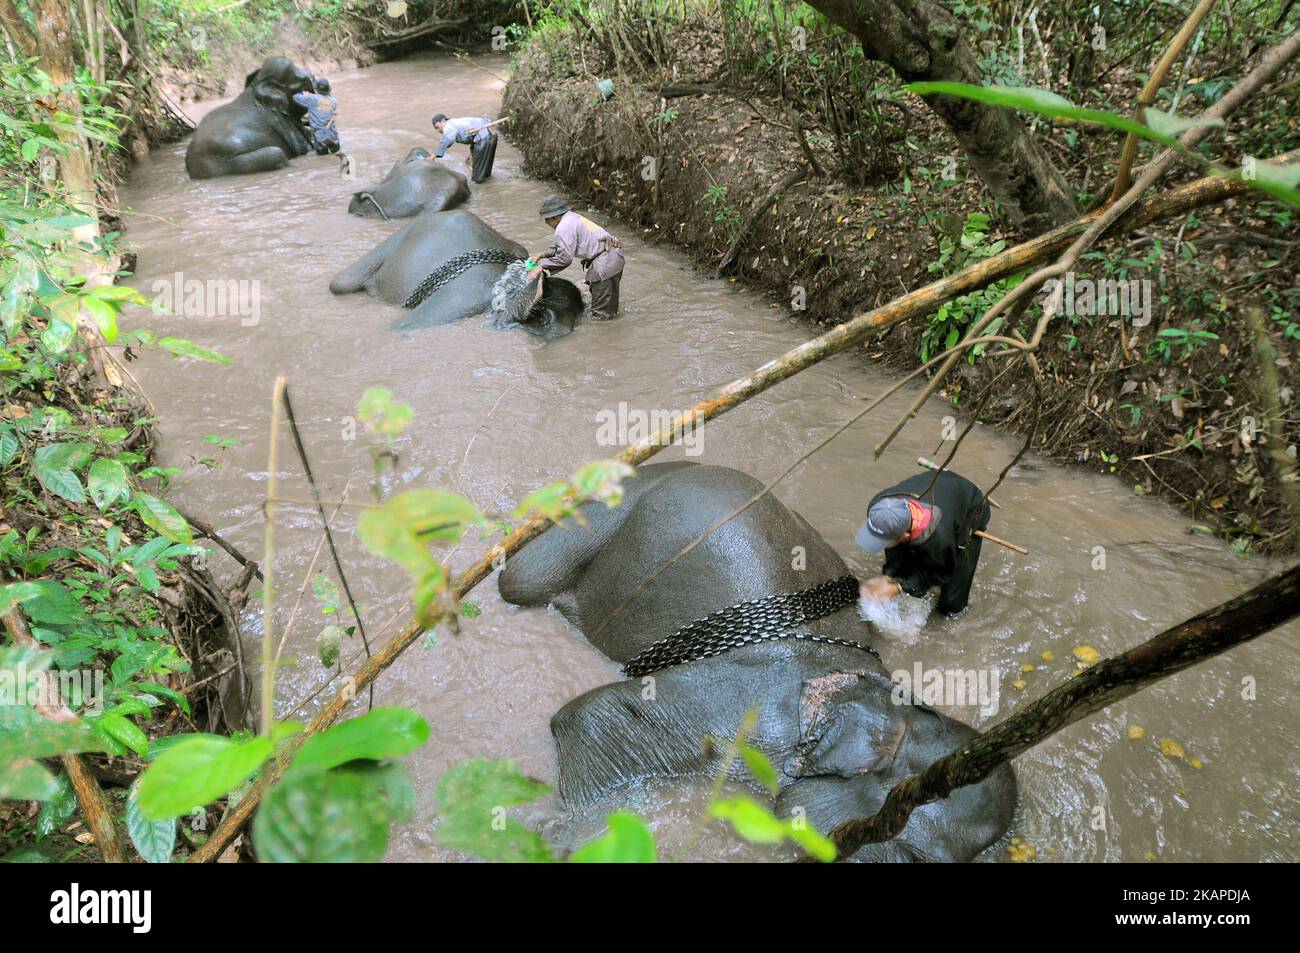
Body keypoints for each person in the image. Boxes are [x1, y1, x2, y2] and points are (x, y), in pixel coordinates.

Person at [856, 469, 991, 618]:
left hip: (971, 507)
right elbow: (893, 546)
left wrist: (897, 588)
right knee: (901, 570)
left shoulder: (940, 538)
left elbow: (940, 574)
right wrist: (888, 576)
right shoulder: (878, 506)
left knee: (951, 605)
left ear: (906, 536)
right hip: (935, 484)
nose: (880, 544)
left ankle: (952, 610)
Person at [529, 195, 625, 321]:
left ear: (555, 217)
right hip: (614, 256)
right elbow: (563, 246)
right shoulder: (573, 217)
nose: (547, 223)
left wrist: (541, 267)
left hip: (604, 264)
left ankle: (604, 337)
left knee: (600, 316)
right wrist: (542, 254)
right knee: (610, 308)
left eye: (547, 220)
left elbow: (565, 258)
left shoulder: (563, 228)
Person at [431, 113, 497, 182]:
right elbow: (474, 137)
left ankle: (483, 190)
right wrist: (471, 155)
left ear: (443, 121)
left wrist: (435, 155)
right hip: (490, 135)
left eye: (437, 127)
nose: (438, 131)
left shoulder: (448, 125)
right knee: (486, 173)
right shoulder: (455, 122)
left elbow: (448, 139)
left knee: (477, 179)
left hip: (484, 137)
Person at [294, 77, 342, 159]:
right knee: (335, 157)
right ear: (328, 90)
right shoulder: (334, 101)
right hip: (334, 138)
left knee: (322, 159)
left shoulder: (311, 99)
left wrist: (305, 95)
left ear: (316, 89)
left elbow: (295, 97)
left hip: (320, 138)